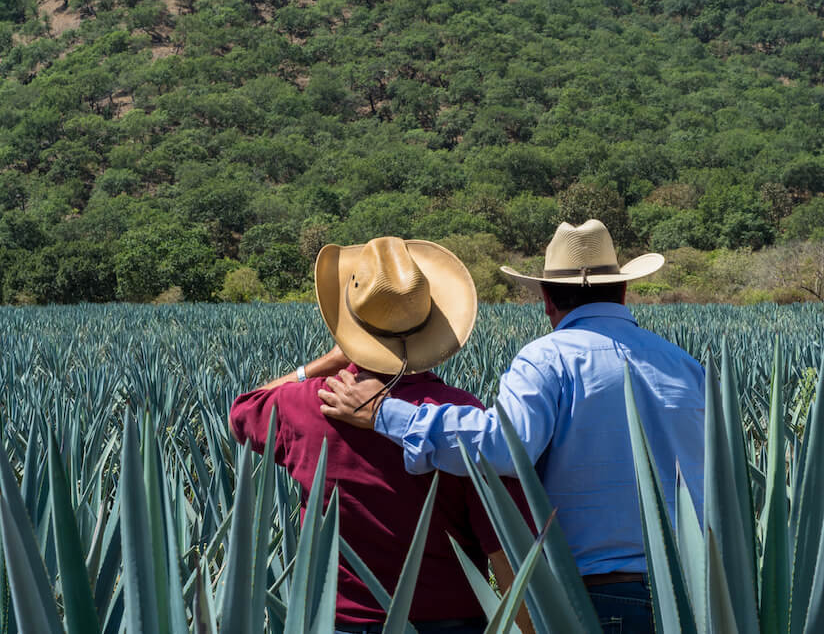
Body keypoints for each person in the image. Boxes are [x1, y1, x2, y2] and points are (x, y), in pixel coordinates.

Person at [317, 219, 706, 634]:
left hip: (594, 596)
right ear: (623, 290)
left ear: (546, 299)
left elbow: (503, 448)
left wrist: (385, 413)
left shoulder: (549, 359)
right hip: (694, 597)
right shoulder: (685, 366)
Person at [230, 236, 524, 634]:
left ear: (351, 329)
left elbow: (243, 411)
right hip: (449, 623)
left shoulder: (304, 405)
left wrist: (322, 365)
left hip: (335, 623)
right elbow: (502, 548)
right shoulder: (461, 418)